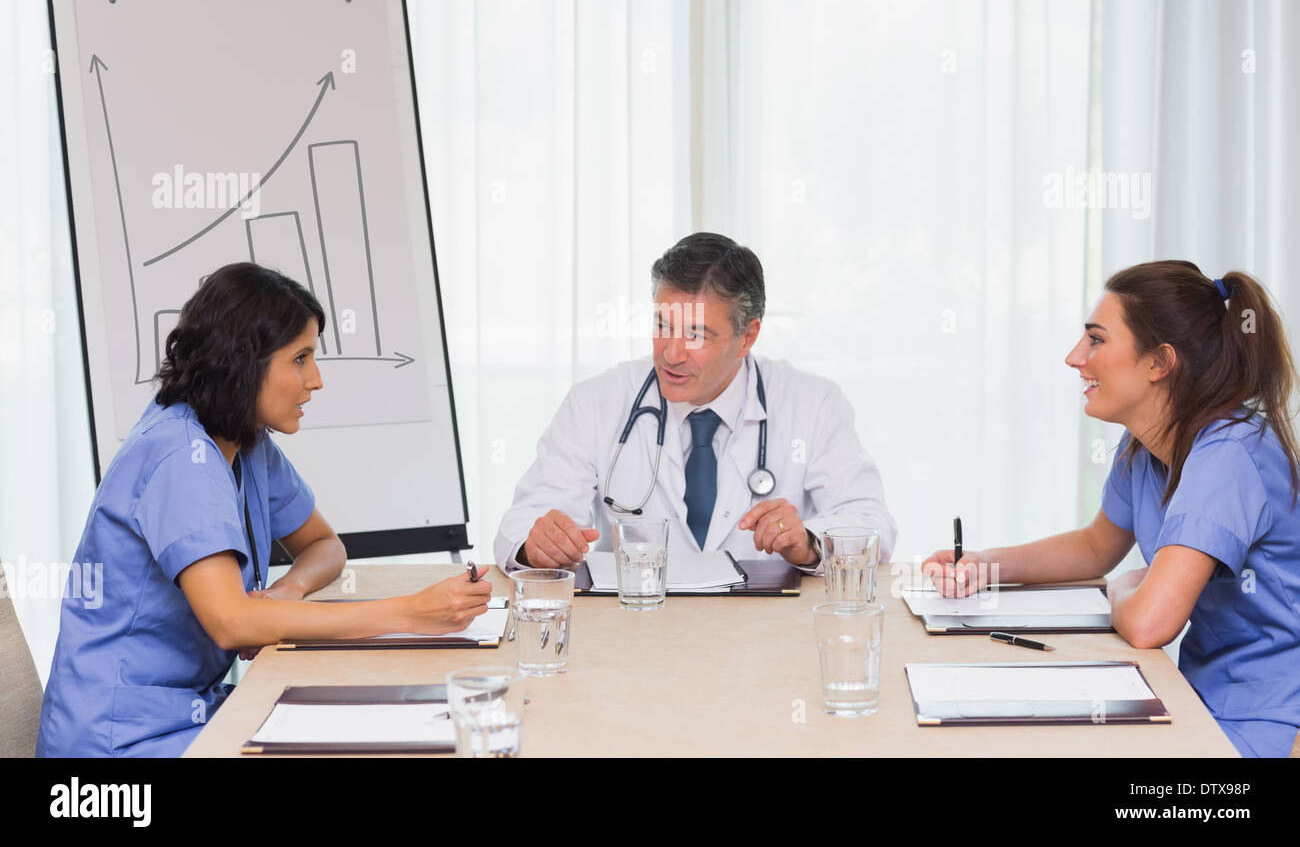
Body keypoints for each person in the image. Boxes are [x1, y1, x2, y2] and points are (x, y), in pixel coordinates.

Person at [37, 263, 492, 757]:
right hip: (120, 742)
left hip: (194, 713)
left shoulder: (244, 442)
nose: (315, 380)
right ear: (243, 362)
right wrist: (409, 613)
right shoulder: (178, 456)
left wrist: (287, 591)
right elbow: (232, 622)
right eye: (300, 359)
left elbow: (324, 545)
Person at [924, 261, 1300, 758]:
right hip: (1199, 698)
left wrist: (1123, 587)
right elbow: (1096, 545)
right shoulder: (1149, 444)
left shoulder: (1228, 455)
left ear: (1159, 363)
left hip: (1264, 722)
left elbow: (1148, 624)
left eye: (1096, 340)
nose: (1074, 357)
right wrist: (984, 564)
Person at [494, 232, 897, 573]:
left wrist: (809, 541)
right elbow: (523, 521)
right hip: (636, 633)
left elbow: (871, 522)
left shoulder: (813, 404)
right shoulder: (594, 403)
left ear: (747, 336)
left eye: (697, 336)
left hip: (765, 636)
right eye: (662, 326)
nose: (671, 354)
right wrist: (538, 544)